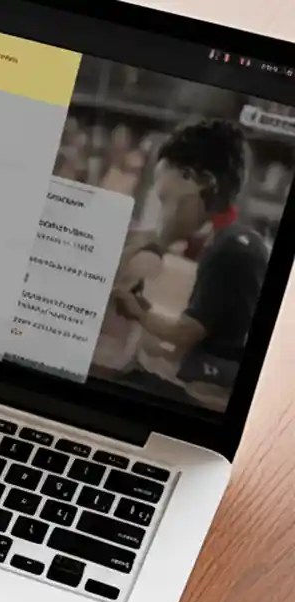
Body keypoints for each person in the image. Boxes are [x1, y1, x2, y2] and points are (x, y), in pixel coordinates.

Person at [115, 119, 269, 406]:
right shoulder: (236, 240)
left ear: (204, 183)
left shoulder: (228, 250)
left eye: (166, 199)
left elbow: (184, 335)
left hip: (209, 389)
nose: (164, 213)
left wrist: (138, 312)